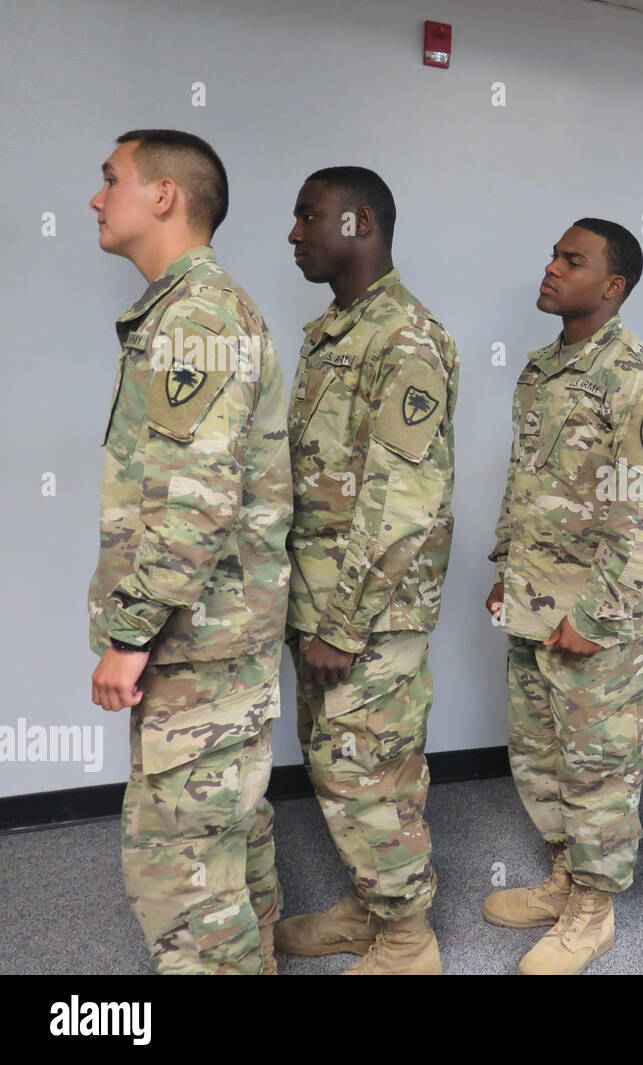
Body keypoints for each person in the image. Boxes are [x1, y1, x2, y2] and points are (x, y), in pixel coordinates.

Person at [87, 129, 292, 974]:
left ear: (164, 194)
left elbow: (194, 503)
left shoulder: (196, 316)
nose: (98, 199)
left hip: (191, 635)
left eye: (112, 180)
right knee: (227, 830)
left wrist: (129, 634)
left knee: (183, 868)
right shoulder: (195, 308)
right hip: (215, 630)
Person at [482, 219, 643, 973]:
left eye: (572, 260)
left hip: (596, 621)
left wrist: (594, 614)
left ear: (612, 287)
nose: (551, 267)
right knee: (541, 757)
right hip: (535, 603)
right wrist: (507, 564)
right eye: (553, 254)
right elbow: (524, 483)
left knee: (599, 765)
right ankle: (566, 879)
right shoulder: (540, 370)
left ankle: (594, 911)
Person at [272, 168, 456, 975]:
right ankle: (368, 906)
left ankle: (409, 941)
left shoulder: (405, 338)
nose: (294, 232)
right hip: (318, 599)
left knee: (366, 772)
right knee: (338, 764)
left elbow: (402, 500)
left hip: (369, 614)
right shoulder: (332, 331)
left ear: (360, 222)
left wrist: (345, 623)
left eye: (309, 216)